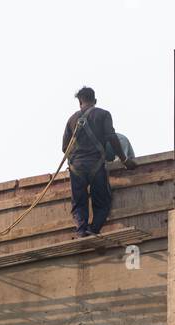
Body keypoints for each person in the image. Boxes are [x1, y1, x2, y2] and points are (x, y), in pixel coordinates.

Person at [62, 86, 136, 238]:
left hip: (77, 168)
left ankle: (82, 230)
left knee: (79, 202)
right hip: (96, 165)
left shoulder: (71, 120)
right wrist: (124, 160)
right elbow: (112, 137)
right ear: (95, 100)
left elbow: (65, 148)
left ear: (79, 103)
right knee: (102, 201)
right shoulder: (103, 114)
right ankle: (94, 229)